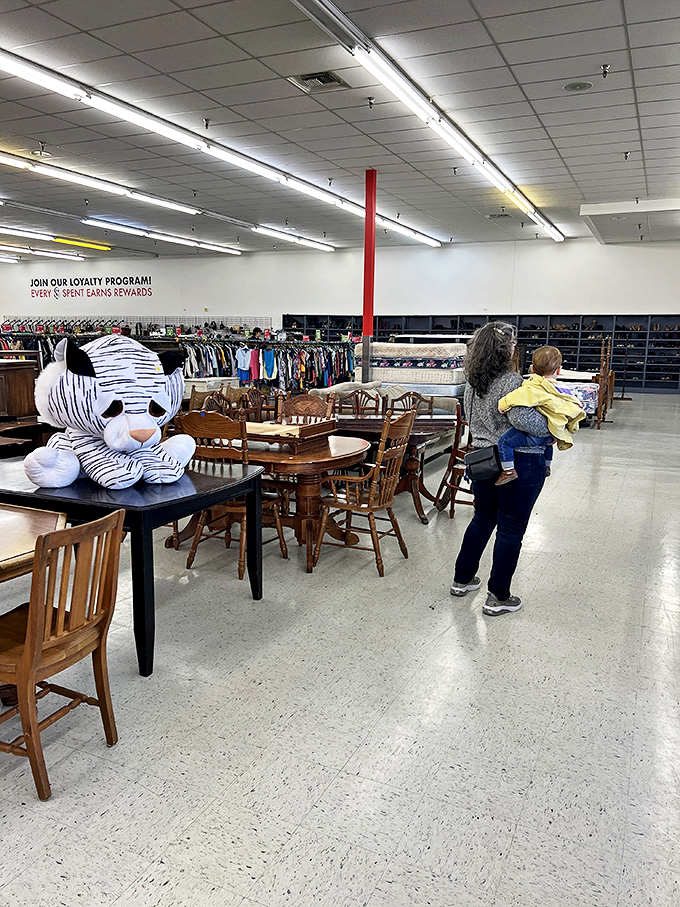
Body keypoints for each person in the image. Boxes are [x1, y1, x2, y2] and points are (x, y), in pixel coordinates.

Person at [450, 322, 550, 616]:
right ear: (505, 350)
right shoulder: (513, 383)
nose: (516, 348)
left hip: (482, 461)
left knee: (482, 520)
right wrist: (554, 426)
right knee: (510, 529)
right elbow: (524, 421)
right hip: (517, 463)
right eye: (514, 344)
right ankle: (499, 597)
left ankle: (463, 579)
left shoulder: (473, 383)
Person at [495, 345, 585, 485]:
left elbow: (516, 397)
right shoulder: (563, 388)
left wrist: (503, 404)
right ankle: (547, 466)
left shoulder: (534, 386)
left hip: (533, 437)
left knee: (504, 441)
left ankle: (508, 471)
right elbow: (573, 402)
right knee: (548, 445)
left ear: (532, 369)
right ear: (559, 370)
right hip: (551, 436)